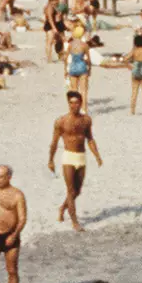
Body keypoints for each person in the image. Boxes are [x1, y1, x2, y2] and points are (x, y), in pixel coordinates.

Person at [48, 91, 103, 231]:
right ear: (68, 104)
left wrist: (97, 155)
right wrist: (51, 160)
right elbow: (54, 142)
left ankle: (62, 208)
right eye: (71, 103)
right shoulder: (61, 121)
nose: (74, 105)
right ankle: (74, 221)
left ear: (81, 103)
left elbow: (90, 138)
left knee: (77, 191)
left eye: (77, 103)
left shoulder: (86, 120)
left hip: (81, 156)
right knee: (70, 189)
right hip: (68, 157)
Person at [125, 32, 142, 115]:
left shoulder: (134, 51)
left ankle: (132, 110)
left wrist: (129, 66)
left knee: (134, 92)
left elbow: (125, 58)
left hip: (135, 70)